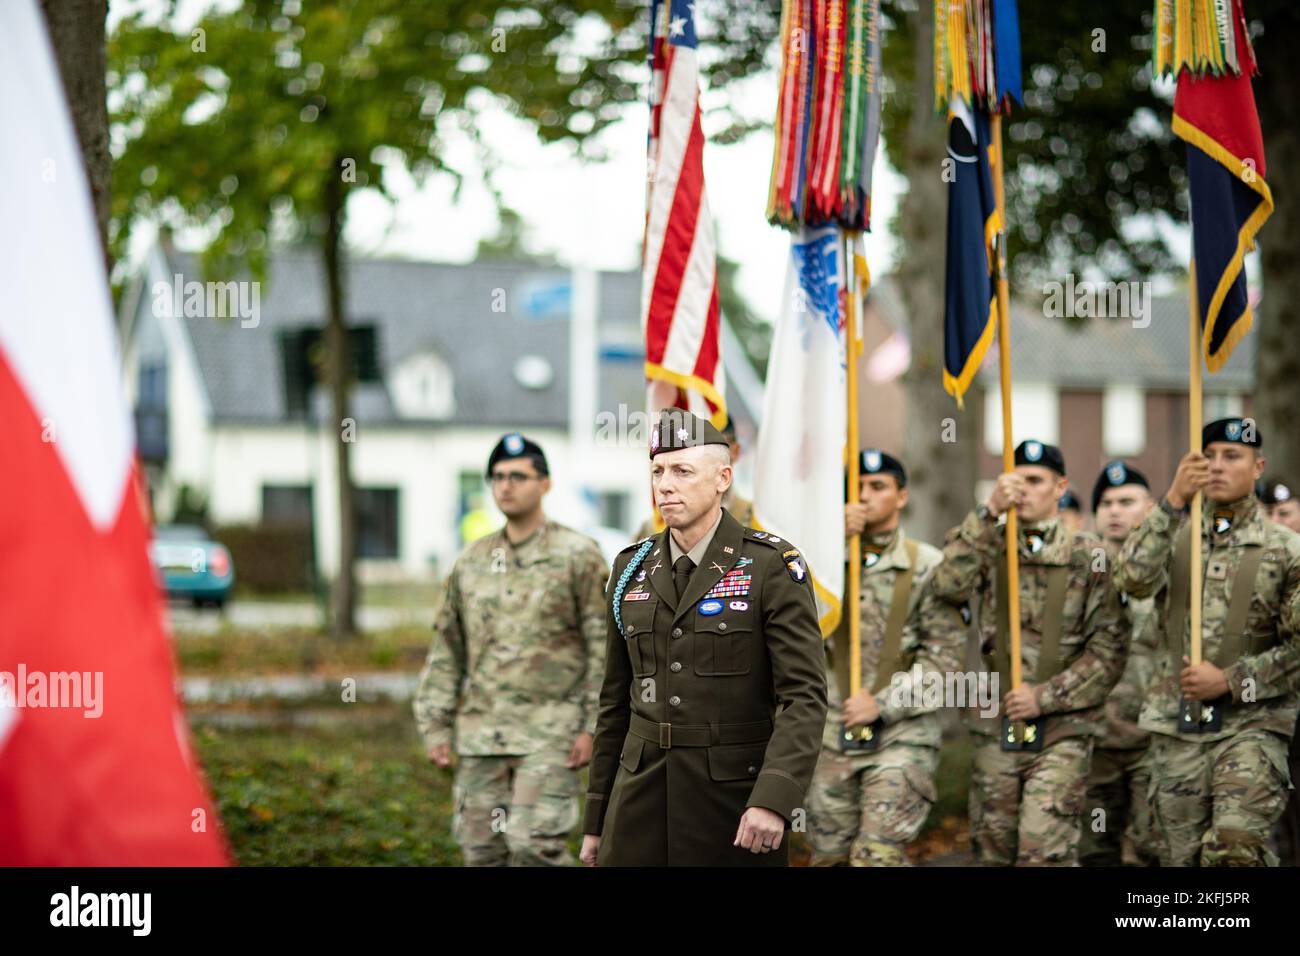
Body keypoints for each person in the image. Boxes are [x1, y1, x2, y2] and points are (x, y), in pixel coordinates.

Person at [580, 408, 827, 866]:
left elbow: (804, 697)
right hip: (638, 802)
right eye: (657, 471)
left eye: (682, 471)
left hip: (733, 804)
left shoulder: (771, 565)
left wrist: (774, 798)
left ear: (723, 478)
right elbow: (615, 702)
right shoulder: (630, 568)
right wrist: (595, 820)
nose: (665, 485)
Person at [412, 433, 609, 866]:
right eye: (498, 477)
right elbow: (448, 649)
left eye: (519, 476)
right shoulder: (471, 561)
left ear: (545, 484)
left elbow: (604, 648)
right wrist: (436, 724)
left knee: (533, 846)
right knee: (482, 851)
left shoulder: (578, 555)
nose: (506, 486)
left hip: (550, 733)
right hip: (482, 735)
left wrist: (591, 726)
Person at [929, 440, 1127, 865]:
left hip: (1063, 730)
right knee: (992, 851)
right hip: (996, 727)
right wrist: (988, 511)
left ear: (1060, 487)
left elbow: (1109, 652)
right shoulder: (989, 544)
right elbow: (946, 585)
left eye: (1034, 481)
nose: (1023, 491)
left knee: (1044, 850)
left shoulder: (1089, 556)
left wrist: (1044, 697)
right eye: (1015, 482)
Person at [1115, 418, 1300, 866]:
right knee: (1179, 857)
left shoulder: (1288, 549)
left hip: (1251, 725)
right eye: (1208, 456)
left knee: (1235, 847)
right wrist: (1173, 500)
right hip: (1178, 725)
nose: (1217, 466)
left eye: (1231, 456)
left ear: (1258, 467)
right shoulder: (1171, 535)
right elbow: (1131, 579)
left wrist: (1232, 680)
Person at [806, 450, 966, 866]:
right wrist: (830, 542)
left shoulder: (928, 567)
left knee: (876, 857)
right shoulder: (817, 566)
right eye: (856, 488)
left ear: (901, 496)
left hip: (900, 739)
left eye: (877, 487)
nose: (864, 496)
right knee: (829, 858)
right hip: (828, 736)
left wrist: (882, 704)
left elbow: (946, 661)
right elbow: (777, 624)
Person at [1078, 461, 1160, 866]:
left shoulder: (1173, 571)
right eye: (1106, 503)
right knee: (1095, 850)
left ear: (1150, 507)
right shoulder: (1078, 573)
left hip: (1156, 740)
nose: (1114, 510)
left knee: (1150, 849)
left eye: (1126, 501)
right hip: (1096, 741)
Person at [632, 414, 751, 539]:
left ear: (735, 451)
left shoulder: (757, 520)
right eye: (658, 471)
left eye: (683, 471)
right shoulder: (653, 529)